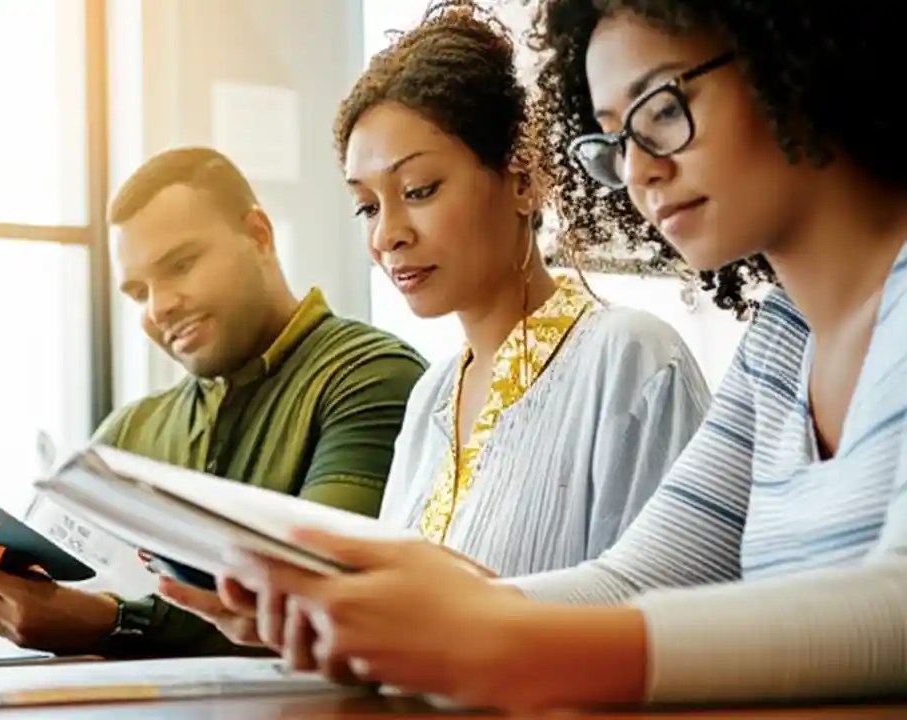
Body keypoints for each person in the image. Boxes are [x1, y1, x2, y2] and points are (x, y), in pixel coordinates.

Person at [215, 0, 907, 711]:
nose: (639, 169)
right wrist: (363, 612)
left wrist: (499, 642)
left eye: (663, 108)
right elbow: (634, 580)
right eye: (615, 139)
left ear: (795, 58)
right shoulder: (782, 344)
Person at [159, 0, 710, 645]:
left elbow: (673, 623)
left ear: (524, 182)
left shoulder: (630, 358)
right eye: (366, 207)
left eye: (419, 190)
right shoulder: (430, 398)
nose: (388, 236)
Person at [0, 147, 428, 655]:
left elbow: (317, 600)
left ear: (259, 235)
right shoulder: (130, 432)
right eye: (138, 290)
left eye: (180, 265)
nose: (159, 306)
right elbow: (29, 605)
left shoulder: (369, 376)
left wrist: (113, 623)